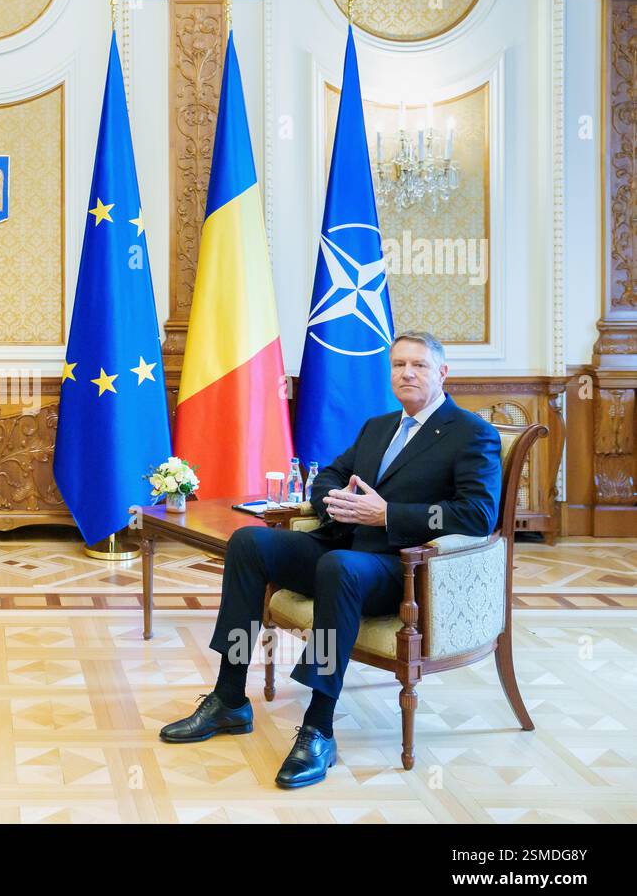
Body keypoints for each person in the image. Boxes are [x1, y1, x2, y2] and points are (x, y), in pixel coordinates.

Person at [159, 330, 500, 788]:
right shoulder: (378, 427)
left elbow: (477, 514)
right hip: (339, 544)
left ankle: (318, 726)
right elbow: (328, 476)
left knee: (338, 567)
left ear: (442, 373)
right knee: (249, 542)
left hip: (398, 568)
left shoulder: (471, 434)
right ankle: (228, 698)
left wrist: (389, 515)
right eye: (398, 364)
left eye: (418, 365)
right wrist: (333, 499)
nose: (407, 373)